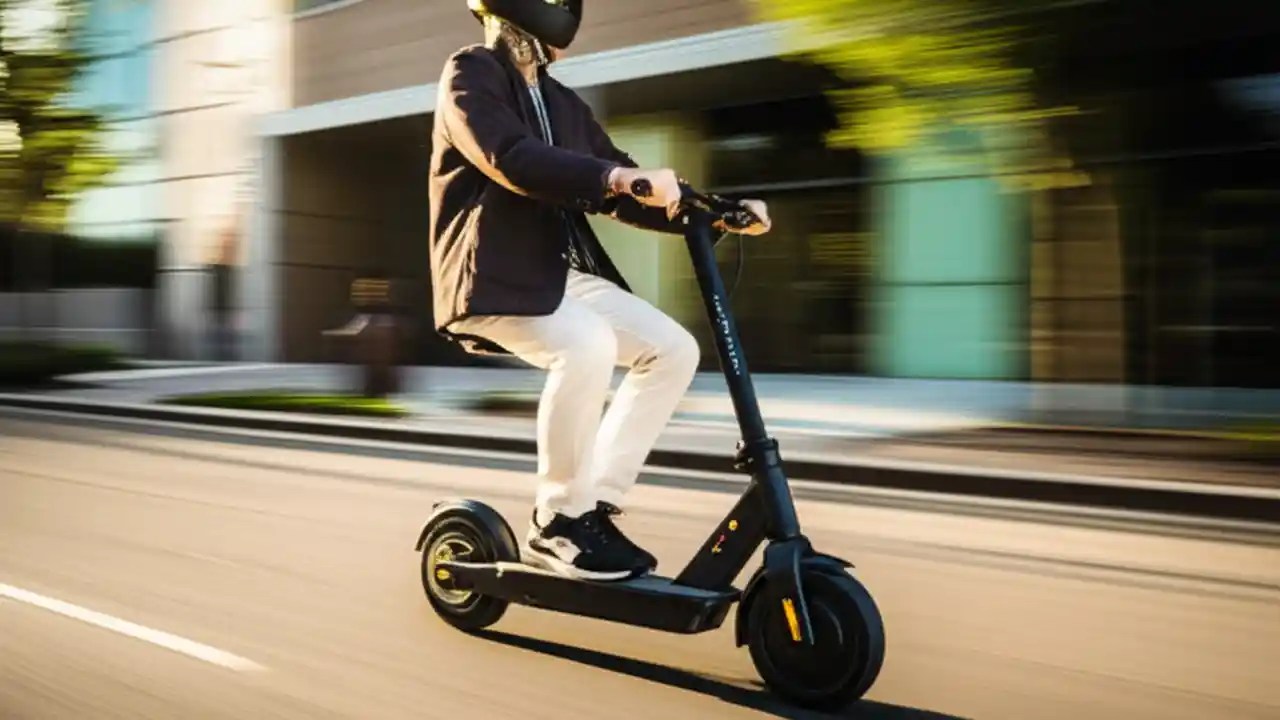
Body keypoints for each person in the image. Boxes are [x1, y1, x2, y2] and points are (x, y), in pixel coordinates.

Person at [428, 0, 772, 582]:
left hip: (554, 277)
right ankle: (557, 522)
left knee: (673, 349)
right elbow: (509, 157)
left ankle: (593, 507)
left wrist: (715, 212)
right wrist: (615, 178)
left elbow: (619, 178)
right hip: (493, 276)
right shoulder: (471, 73)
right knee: (584, 345)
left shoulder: (560, 101)